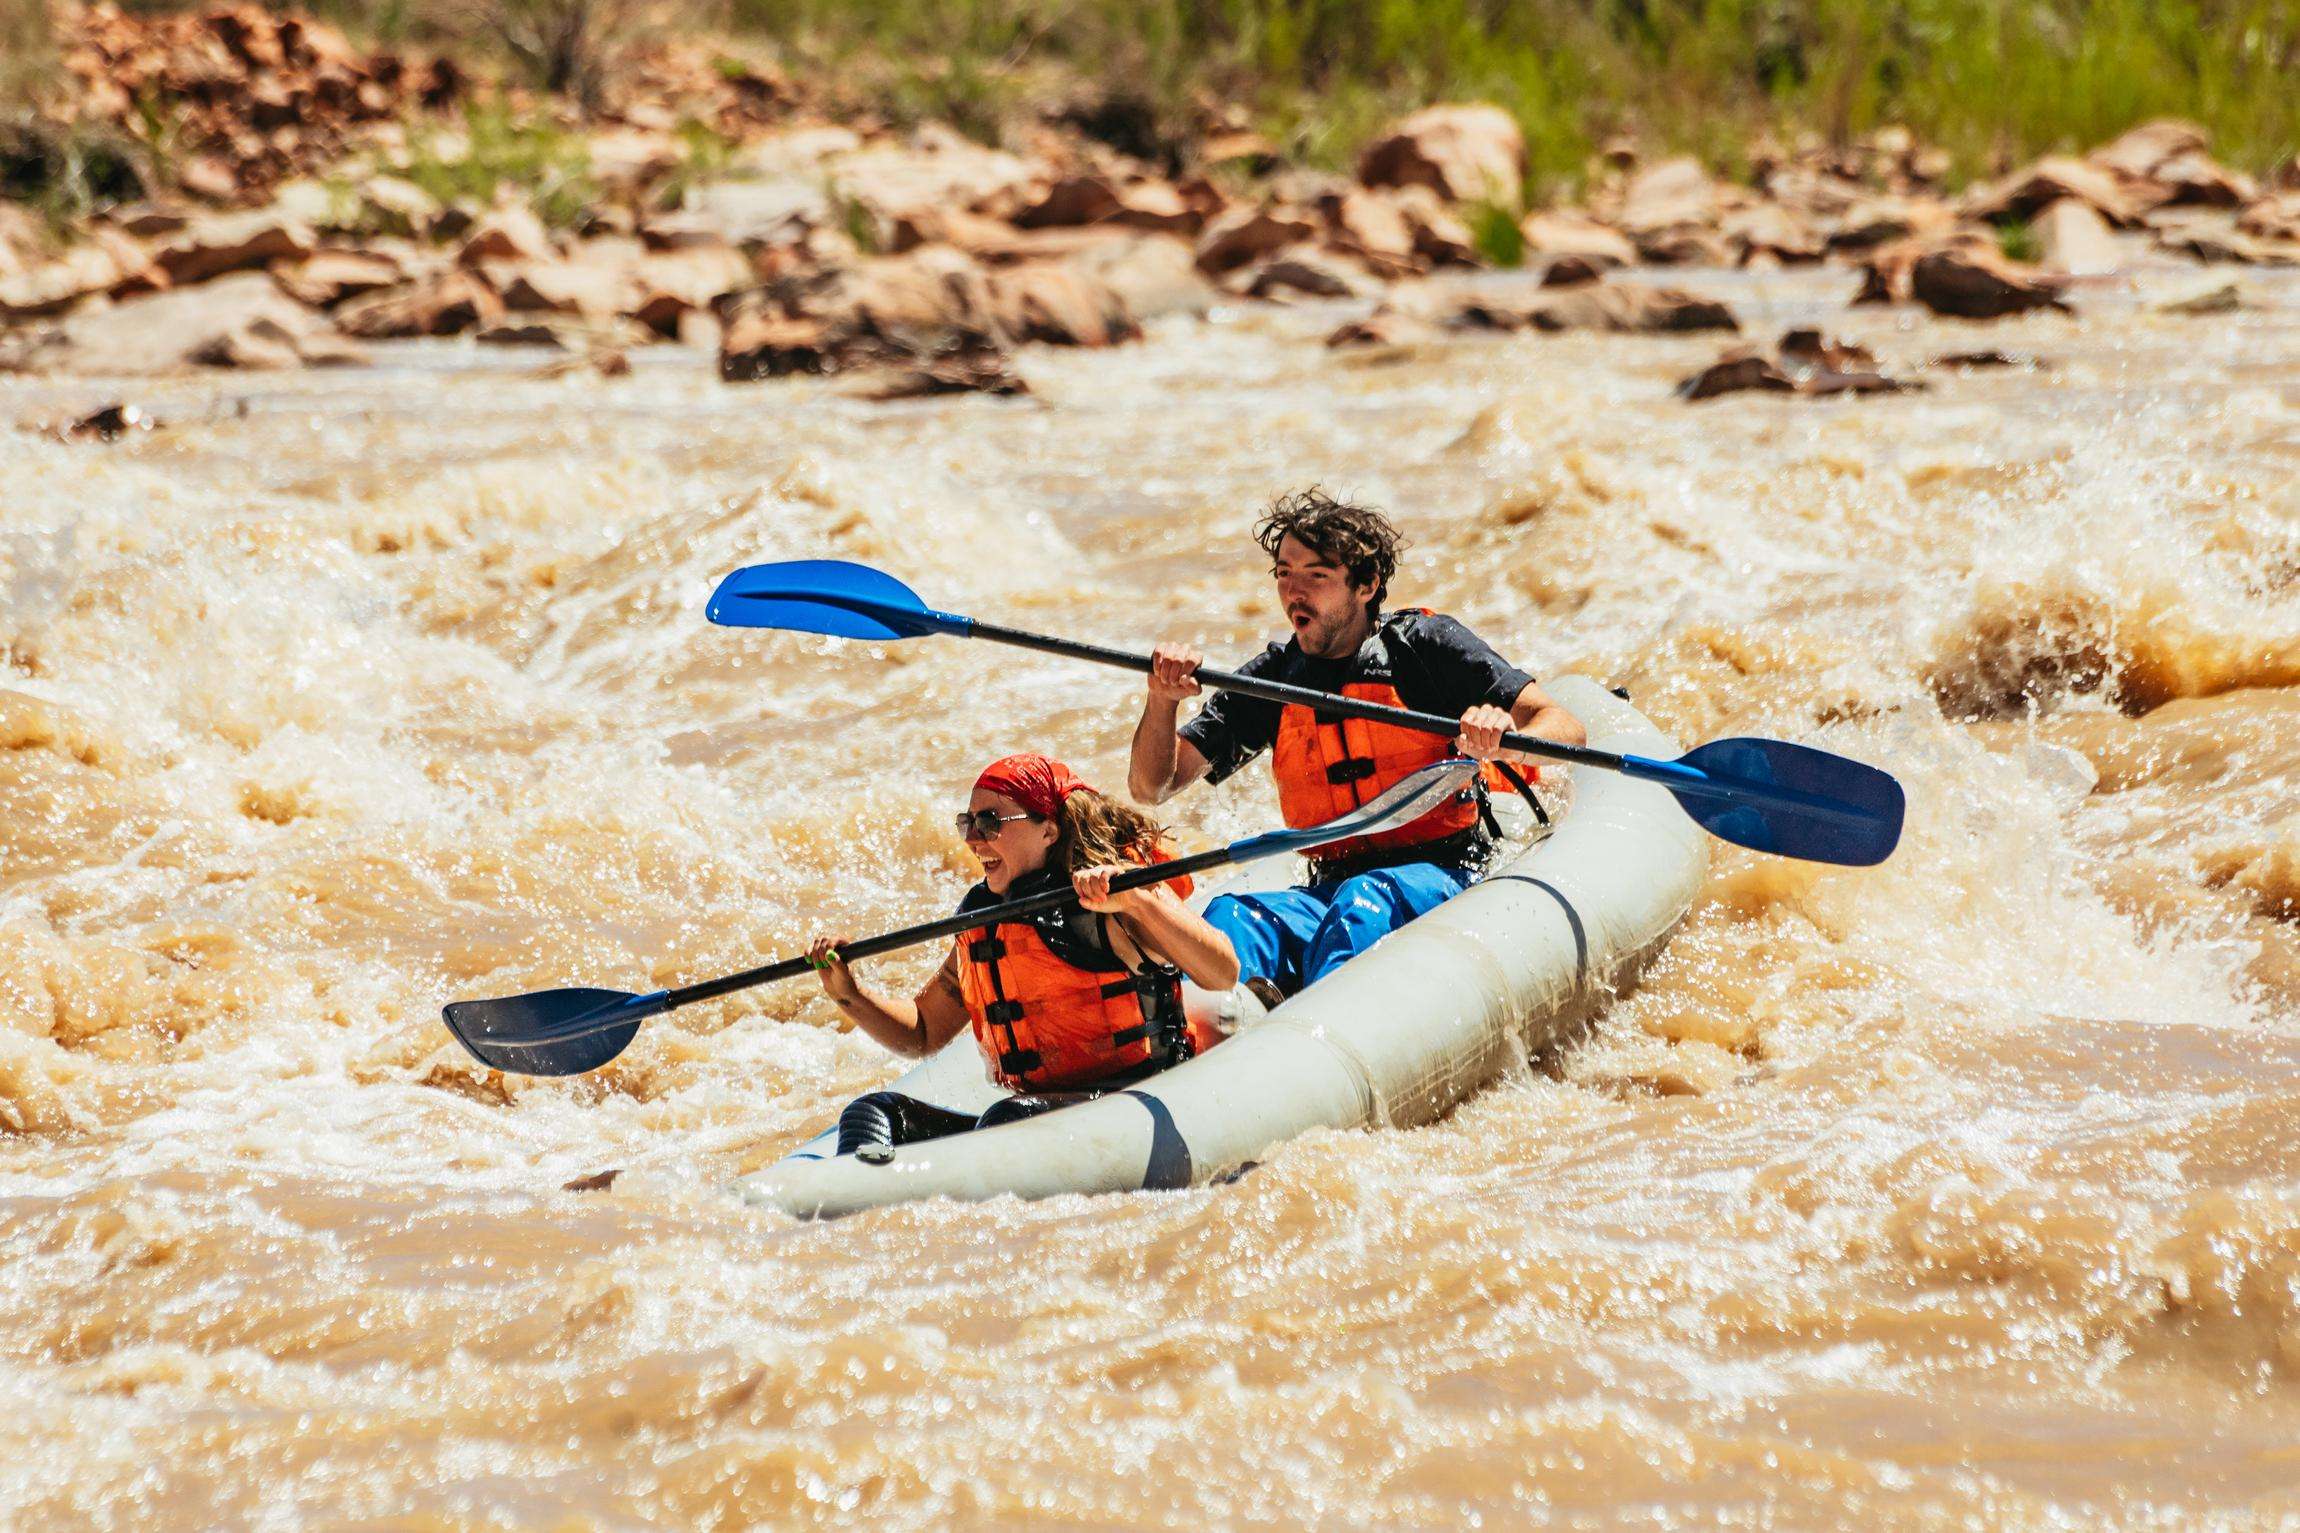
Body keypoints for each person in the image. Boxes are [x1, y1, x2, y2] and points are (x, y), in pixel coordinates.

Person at [1128, 488, 1586, 999]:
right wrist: (1161, 700)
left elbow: (1563, 725)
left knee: (1361, 901)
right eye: (1283, 573)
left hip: (1445, 874)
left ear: (1366, 585)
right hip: (1329, 888)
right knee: (1232, 917)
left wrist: (1507, 740)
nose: (1293, 592)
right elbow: (1154, 786)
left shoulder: (1425, 648)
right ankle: (1206, 1041)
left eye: (1316, 576)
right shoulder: (1274, 680)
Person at [809, 752, 1240, 1163]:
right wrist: (851, 994)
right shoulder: (986, 920)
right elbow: (923, 1032)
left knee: (1009, 1119)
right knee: (873, 1114)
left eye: (990, 822)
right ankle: (866, 1197)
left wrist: (1141, 903)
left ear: (1048, 830)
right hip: (1037, 1112)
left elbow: (1222, 972)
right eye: (968, 823)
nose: (973, 839)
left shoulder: (1118, 898)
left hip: (1136, 1100)